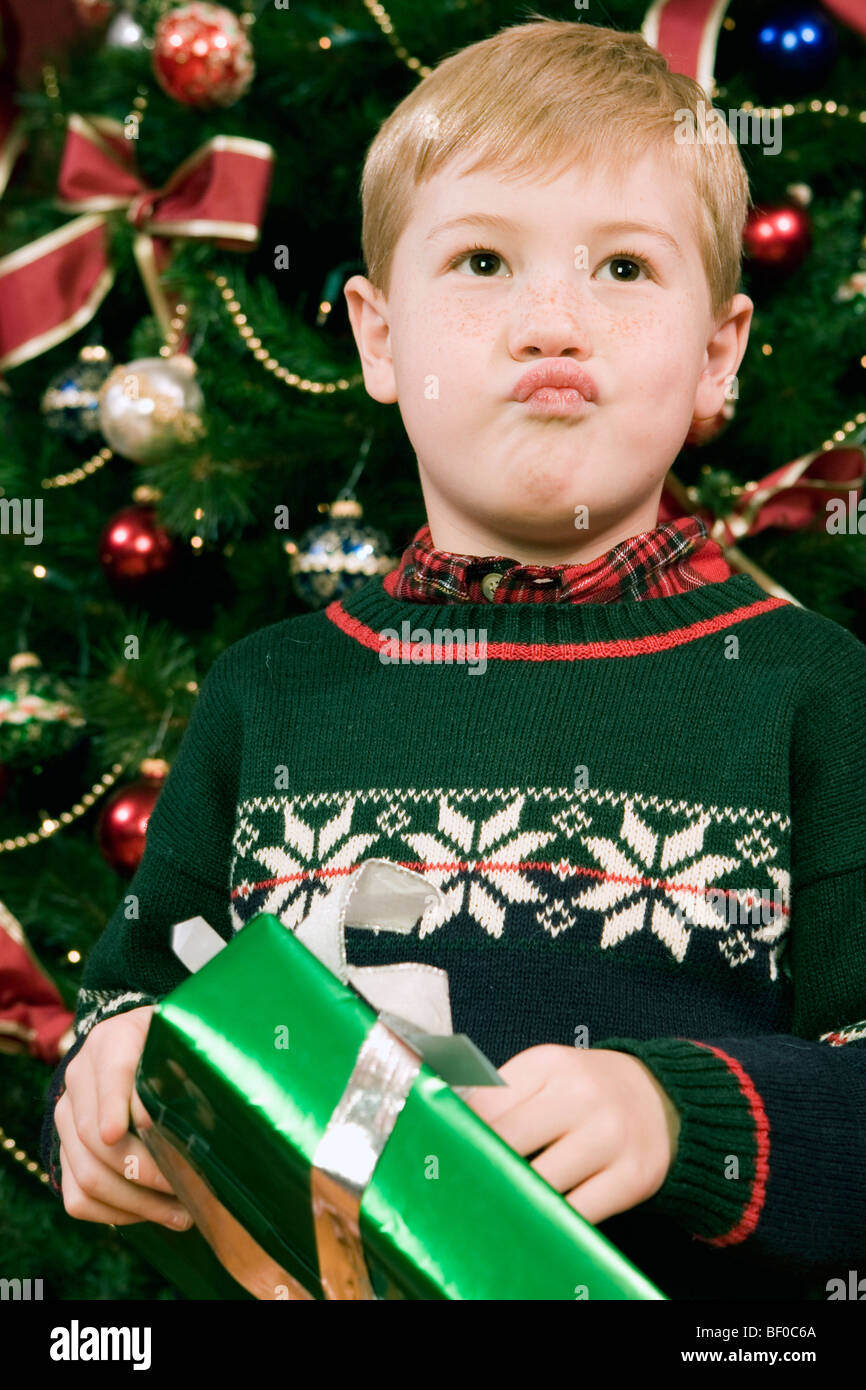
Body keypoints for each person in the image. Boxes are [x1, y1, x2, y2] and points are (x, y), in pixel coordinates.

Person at [42, 16, 866, 1301]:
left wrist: (673, 1115)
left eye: (623, 270)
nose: (551, 320)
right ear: (378, 338)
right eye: (483, 260)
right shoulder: (266, 694)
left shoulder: (813, 695)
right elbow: (130, 1018)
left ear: (717, 354)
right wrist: (107, 1090)